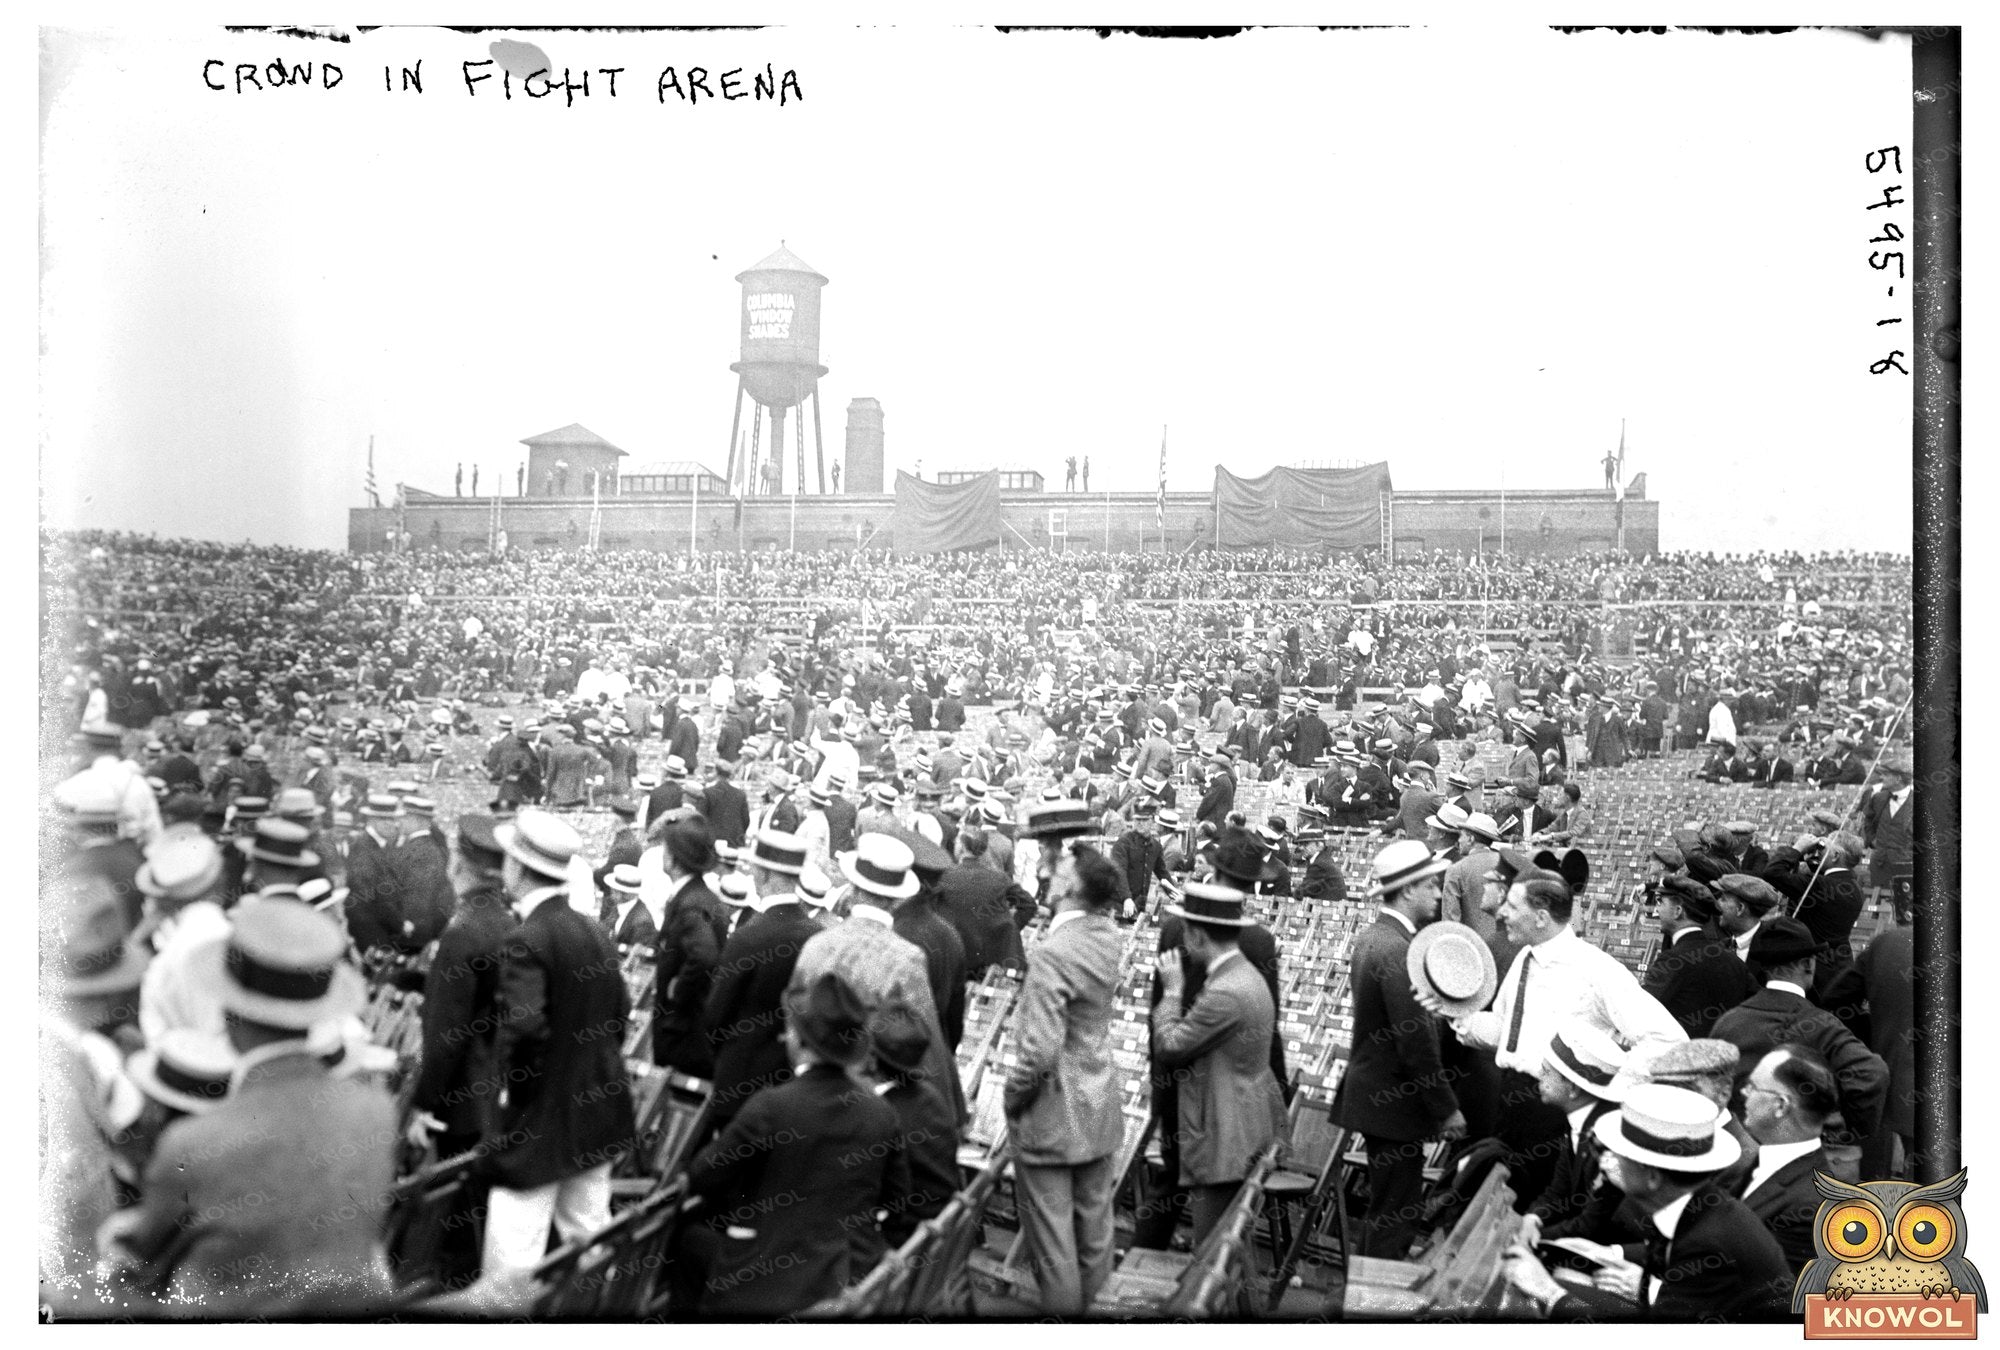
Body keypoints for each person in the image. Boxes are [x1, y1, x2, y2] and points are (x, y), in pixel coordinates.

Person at [104, 899, 396, 1313]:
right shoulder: (376, 1111)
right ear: (317, 1012)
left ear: (228, 1014)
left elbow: (142, 1256)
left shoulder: (193, 1143)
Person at [1420, 871, 1685, 1211]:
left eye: (1513, 907)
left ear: (1542, 917)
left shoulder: (1596, 970)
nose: (1502, 913)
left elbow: (1667, 1039)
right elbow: (1505, 1033)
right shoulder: (1524, 960)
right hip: (1509, 1106)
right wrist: (1454, 1012)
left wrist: (1610, 1085)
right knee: (1497, 1212)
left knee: (1536, 1212)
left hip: (1554, 1115)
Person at [679, 974, 910, 1315]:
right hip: (848, 1276)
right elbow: (897, 1197)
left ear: (800, 1042)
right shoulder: (881, 1113)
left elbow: (703, 1175)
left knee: (685, 1241)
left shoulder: (771, 1106)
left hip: (766, 1285)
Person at [481, 809, 637, 1275]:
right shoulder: (595, 931)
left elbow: (524, 1030)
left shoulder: (528, 938)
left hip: (540, 1119)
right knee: (588, 1236)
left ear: (517, 868)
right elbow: (619, 1019)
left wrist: (516, 1102)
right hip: (599, 1108)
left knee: (514, 1249)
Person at [1502, 1084, 1793, 1321]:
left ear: (1652, 1177)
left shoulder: (1705, 1242)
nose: (1607, 1162)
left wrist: (1547, 1291)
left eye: (1620, 1156)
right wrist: (1609, 1255)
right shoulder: (1704, 1203)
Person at [1004, 841, 1126, 1315]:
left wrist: (1013, 1100)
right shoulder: (1107, 936)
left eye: (1057, 867)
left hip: (1052, 1113)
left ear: (1073, 886)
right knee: (1095, 1238)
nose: (1046, 869)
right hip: (1098, 1103)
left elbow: (1039, 1052)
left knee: (1054, 1252)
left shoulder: (1053, 953)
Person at [1331, 840, 1464, 1258]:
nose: (1439, 894)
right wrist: (1446, 1108)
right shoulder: (1398, 949)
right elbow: (1414, 1043)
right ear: (1408, 890)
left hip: (1377, 1099)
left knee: (1385, 1209)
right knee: (1395, 1215)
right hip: (1393, 1106)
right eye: (1431, 886)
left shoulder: (1376, 937)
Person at [405, 813, 517, 1286]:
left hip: (458, 1096)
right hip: (493, 1088)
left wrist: (424, 1105)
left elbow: (445, 1034)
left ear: (461, 864)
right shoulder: (508, 924)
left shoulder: (463, 931)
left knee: (446, 1208)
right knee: (473, 1203)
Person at [1151, 881, 1289, 1256]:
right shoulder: (1243, 976)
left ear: (1195, 934)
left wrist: (1173, 993)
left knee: (1211, 1257)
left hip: (1224, 1138)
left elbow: (1170, 1047)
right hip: (1240, 1127)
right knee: (1223, 1256)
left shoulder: (1226, 991)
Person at [1710, 917, 1889, 1177]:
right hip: (1799, 1165)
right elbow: (1873, 1074)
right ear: (1808, 965)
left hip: (1737, 1160)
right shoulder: (1823, 1025)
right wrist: (1838, 1129)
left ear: (1765, 967)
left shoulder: (1729, 1021)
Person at [703, 830, 822, 1125]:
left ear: (764, 873)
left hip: (741, 1083)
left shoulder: (748, 938)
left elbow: (716, 1016)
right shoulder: (818, 936)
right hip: (796, 1083)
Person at [1521, 1020, 1630, 1242]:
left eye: (1546, 1072)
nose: (1539, 1076)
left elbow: (1592, 1225)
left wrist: (1534, 1237)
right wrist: (1533, 1219)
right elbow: (1558, 1192)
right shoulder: (1581, 1120)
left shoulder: (1608, 1139)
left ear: (1572, 1089)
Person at [1737, 1044, 1838, 1269]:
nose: (1744, 1093)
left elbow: (1770, 1295)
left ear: (1780, 1106)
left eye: (1752, 1087)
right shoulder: (1757, 1162)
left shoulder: (1810, 1209)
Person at [652, 815, 730, 1076]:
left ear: (674, 859)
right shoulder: (701, 896)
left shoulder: (691, 904)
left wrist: (677, 992)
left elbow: (704, 956)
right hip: (692, 1029)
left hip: (684, 1032)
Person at [1640, 874, 1759, 1039]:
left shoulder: (1672, 960)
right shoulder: (1733, 960)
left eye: (1661, 902)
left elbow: (1640, 1010)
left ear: (1678, 912)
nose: (1657, 909)